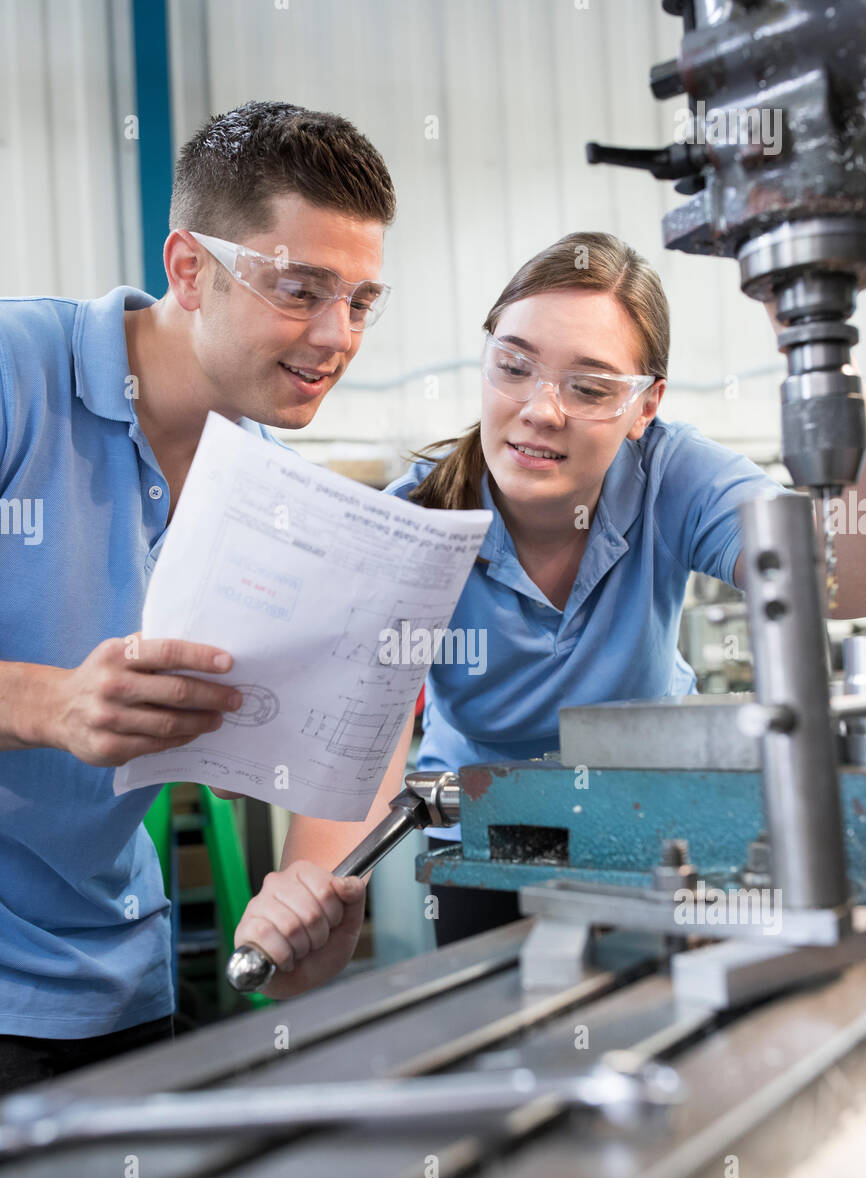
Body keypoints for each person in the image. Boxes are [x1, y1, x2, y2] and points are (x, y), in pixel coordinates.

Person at [234, 230, 799, 965]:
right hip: (489, 832)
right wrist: (305, 897)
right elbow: (362, 747)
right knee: (504, 1029)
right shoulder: (418, 519)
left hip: (649, 818)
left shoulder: (674, 477)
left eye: (590, 388)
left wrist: (819, 362)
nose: (541, 409)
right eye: (515, 367)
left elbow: (826, 576)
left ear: (645, 405)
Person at [0, 99, 395, 1092]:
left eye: (360, 300)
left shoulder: (262, 485)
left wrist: (313, 887)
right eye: (301, 289)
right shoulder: (17, 376)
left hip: (114, 983)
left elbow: (332, 725)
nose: (335, 337)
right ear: (189, 268)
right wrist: (50, 705)